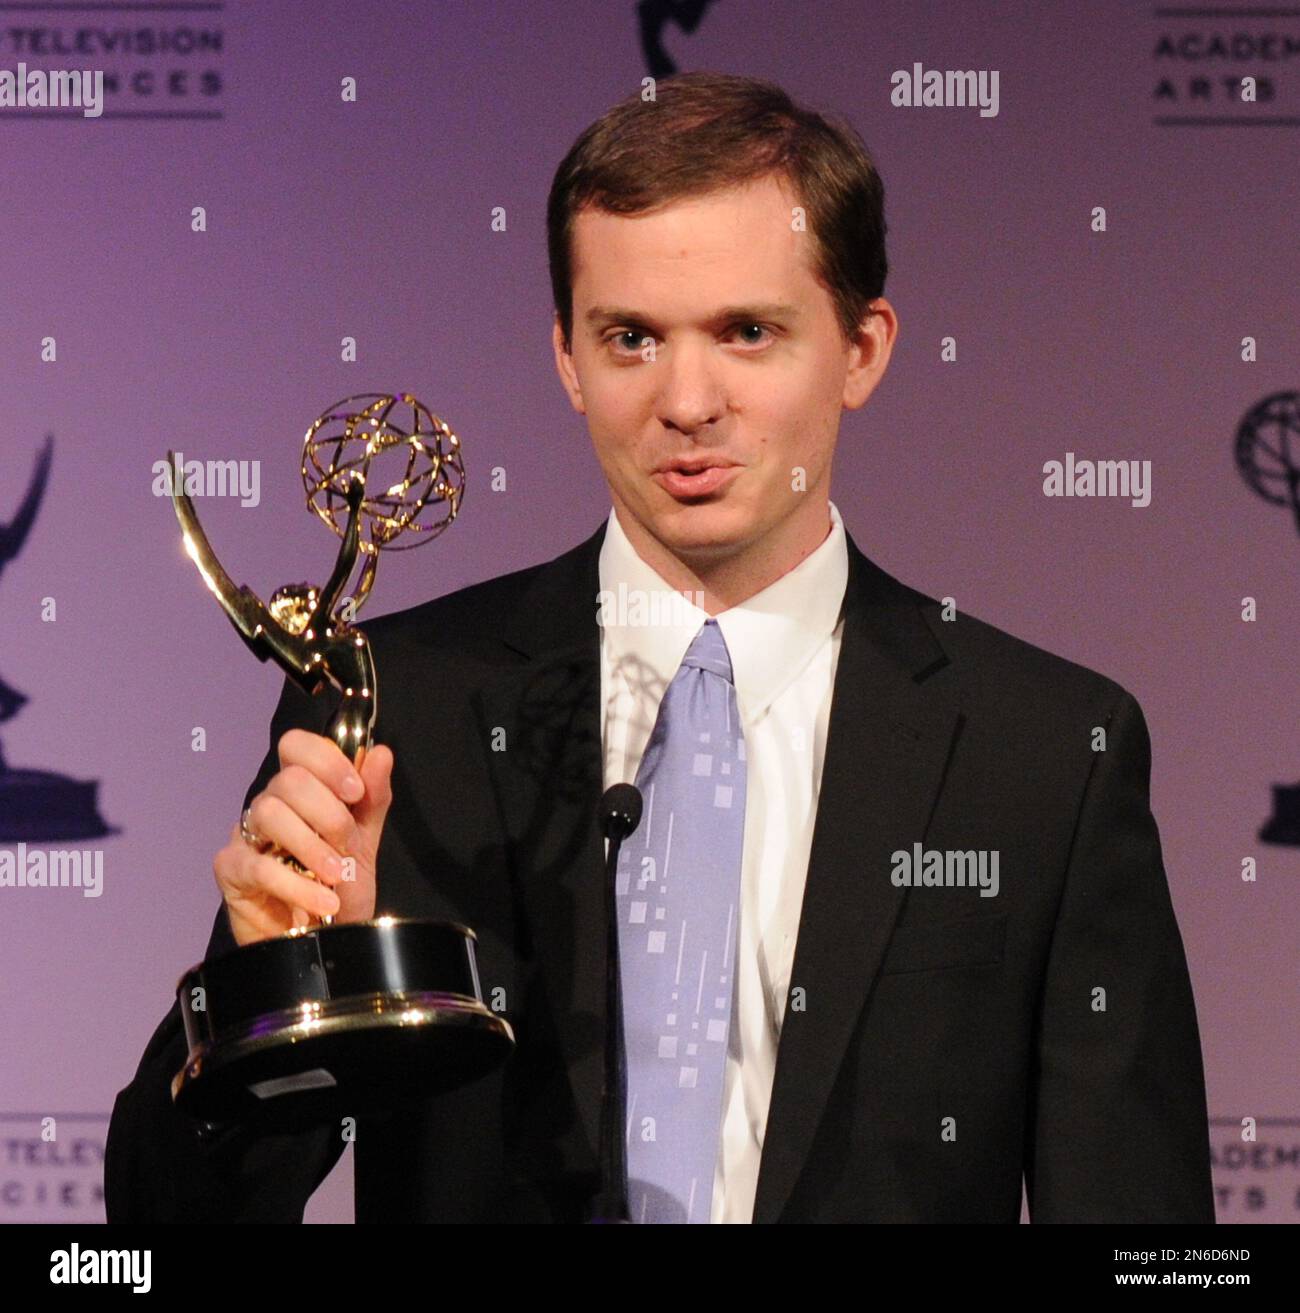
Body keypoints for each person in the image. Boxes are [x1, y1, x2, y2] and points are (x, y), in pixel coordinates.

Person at [105, 71, 1214, 1224]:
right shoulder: (397, 712)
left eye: (747, 331)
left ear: (863, 348)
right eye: (631, 336)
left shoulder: (1042, 753)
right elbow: (158, 1222)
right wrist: (267, 987)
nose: (687, 399)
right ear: (567, 360)